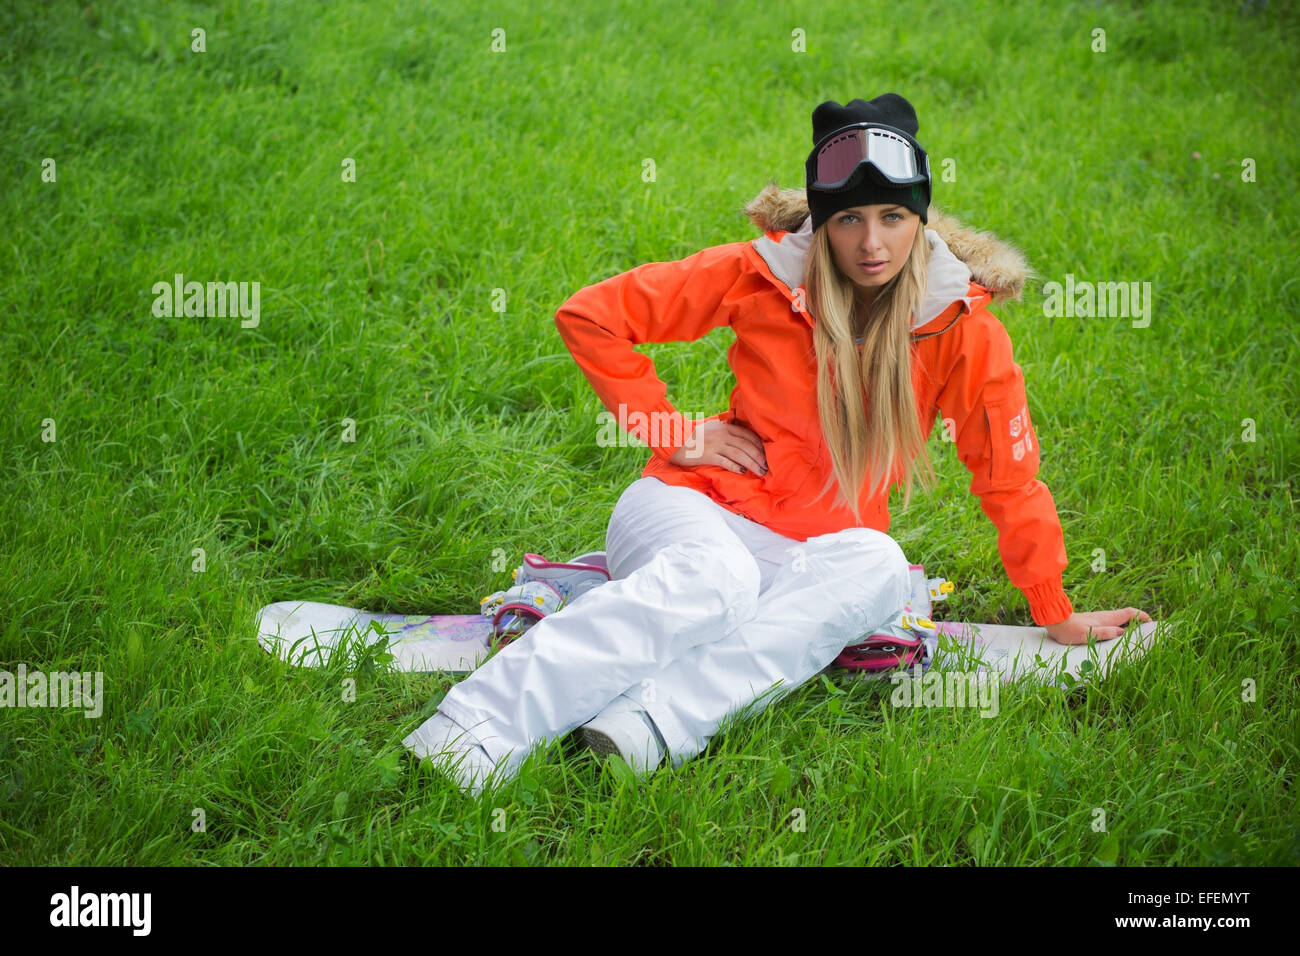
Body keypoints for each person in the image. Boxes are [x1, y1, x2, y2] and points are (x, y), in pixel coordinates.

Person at [402, 93, 1152, 797]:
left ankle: (643, 724)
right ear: (821, 219)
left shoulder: (959, 325)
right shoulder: (760, 275)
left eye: (893, 216)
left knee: (881, 567)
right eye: (850, 219)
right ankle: (472, 730)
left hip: (814, 552)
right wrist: (672, 430)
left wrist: (1054, 607)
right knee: (716, 580)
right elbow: (593, 314)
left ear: (920, 218)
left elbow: (1007, 475)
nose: (871, 243)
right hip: (691, 510)